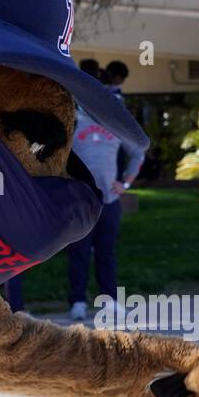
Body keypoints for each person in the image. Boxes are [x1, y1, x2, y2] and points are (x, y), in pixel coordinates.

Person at [67, 68, 145, 322]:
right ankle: (77, 302)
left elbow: (138, 153)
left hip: (109, 201)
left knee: (106, 252)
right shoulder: (75, 125)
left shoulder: (115, 127)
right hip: (81, 202)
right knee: (79, 252)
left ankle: (109, 301)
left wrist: (126, 183)